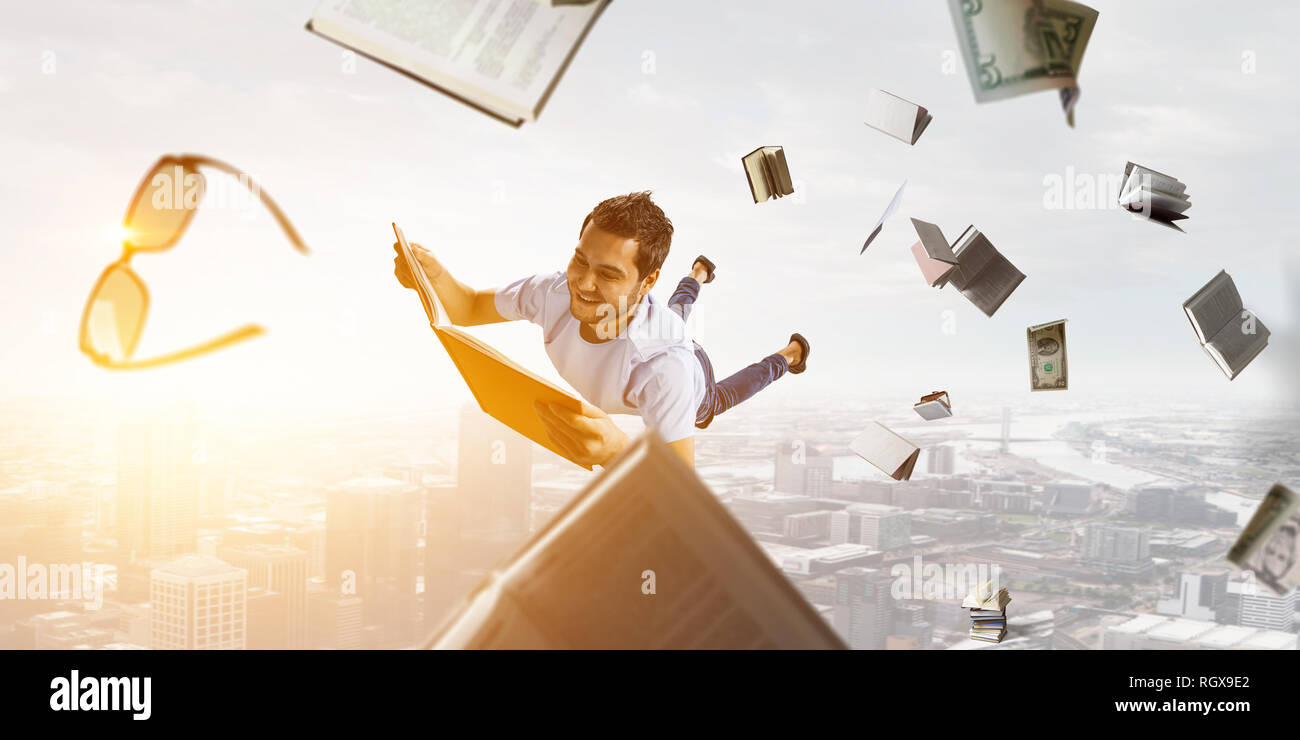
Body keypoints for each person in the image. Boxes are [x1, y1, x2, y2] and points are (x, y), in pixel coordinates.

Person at [393, 191, 809, 469]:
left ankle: (786, 357)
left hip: (686, 362)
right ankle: (696, 275)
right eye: (580, 261)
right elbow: (466, 306)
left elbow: (681, 492)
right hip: (648, 322)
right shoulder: (553, 290)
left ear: (646, 282)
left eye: (608, 274)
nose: (583, 283)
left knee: (718, 399)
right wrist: (428, 278)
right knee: (676, 309)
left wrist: (618, 452)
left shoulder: (668, 374)